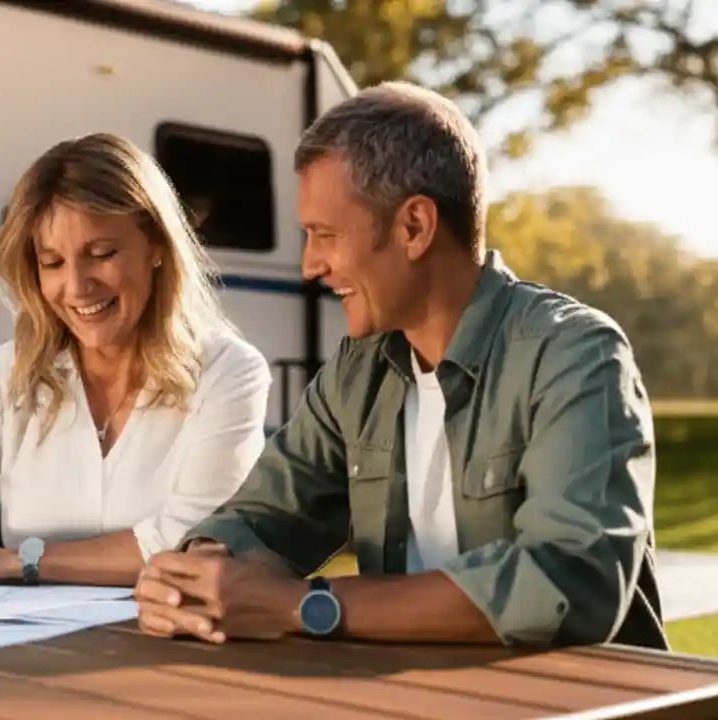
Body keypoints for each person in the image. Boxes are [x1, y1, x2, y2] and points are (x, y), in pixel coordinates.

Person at [133, 81, 667, 651]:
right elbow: (260, 515)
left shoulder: (574, 355)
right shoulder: (359, 372)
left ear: (414, 226)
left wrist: (303, 606)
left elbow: (568, 584)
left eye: (325, 235)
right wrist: (198, 573)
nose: (311, 265)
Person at [0, 132, 273, 605]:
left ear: (156, 244)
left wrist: (19, 561)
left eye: (102, 254)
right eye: (52, 262)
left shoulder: (229, 373)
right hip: (28, 656)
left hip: (167, 657)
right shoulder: (12, 374)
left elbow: (189, 544)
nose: (76, 287)